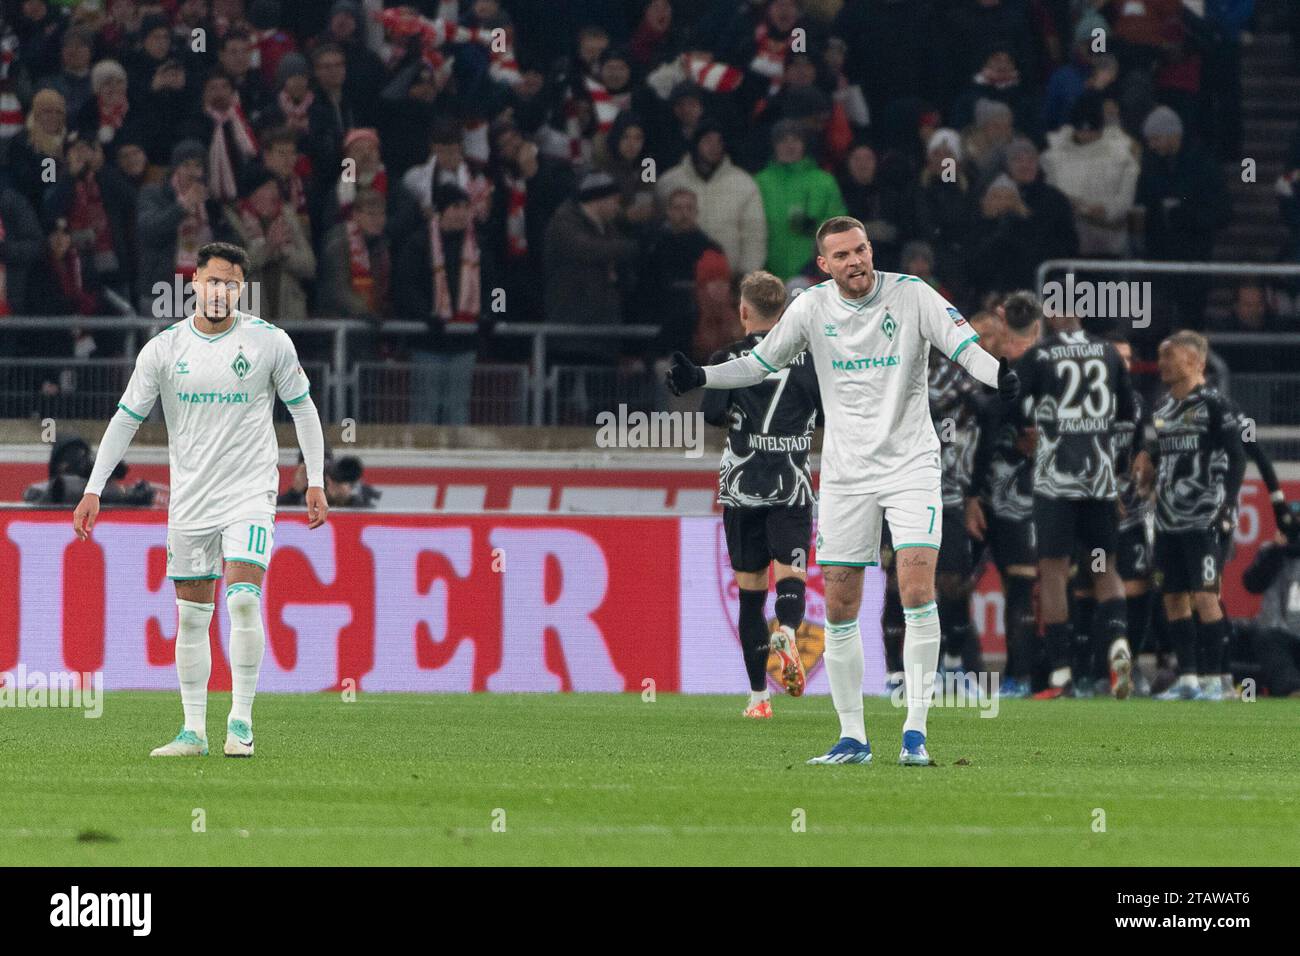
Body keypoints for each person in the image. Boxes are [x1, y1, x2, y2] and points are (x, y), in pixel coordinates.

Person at [666, 216, 1019, 766]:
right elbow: (760, 362)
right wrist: (703, 379)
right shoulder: (810, 309)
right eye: (842, 255)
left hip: (910, 464)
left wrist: (999, 375)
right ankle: (852, 737)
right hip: (847, 472)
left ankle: (916, 733)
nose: (855, 261)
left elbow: (962, 344)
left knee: (917, 587)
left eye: (861, 250)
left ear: (870, 250)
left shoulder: (911, 294)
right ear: (824, 265)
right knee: (839, 599)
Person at [71, 241, 328, 759]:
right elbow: (126, 418)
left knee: (242, 597)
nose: (221, 291)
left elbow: (304, 409)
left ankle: (241, 720)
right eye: (213, 281)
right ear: (194, 283)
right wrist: (94, 487)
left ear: (241, 288)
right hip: (190, 499)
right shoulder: (164, 349)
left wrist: (316, 478)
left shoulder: (269, 343)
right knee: (192, 616)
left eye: (231, 284)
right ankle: (193, 731)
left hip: (249, 491)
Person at [699, 271, 820, 719]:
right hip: (791, 484)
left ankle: (758, 699)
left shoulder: (727, 358)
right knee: (791, 574)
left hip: (742, 486)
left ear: (743, 311)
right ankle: (787, 628)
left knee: (751, 593)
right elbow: (828, 412)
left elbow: (712, 414)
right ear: (784, 312)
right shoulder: (809, 360)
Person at [1015, 307, 1137, 700]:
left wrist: (1022, 431)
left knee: (1053, 571)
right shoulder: (1108, 352)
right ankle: (1118, 643)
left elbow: (1011, 400)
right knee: (1103, 567)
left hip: (1055, 484)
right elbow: (1129, 413)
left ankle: (1061, 674)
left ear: (1053, 313)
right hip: (1100, 483)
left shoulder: (1042, 354)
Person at [1149, 330, 1246, 700]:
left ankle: (1215, 679)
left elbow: (1238, 456)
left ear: (1193, 361)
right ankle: (1188, 678)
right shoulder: (1161, 408)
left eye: (1168, 357)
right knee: (1173, 597)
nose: (1161, 364)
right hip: (1167, 519)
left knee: (1205, 596)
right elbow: (1162, 452)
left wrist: (1226, 506)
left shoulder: (1215, 405)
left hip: (1205, 517)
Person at [967, 290, 1042, 697]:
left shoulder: (1027, 376)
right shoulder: (964, 379)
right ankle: (963, 670)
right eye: (979, 336)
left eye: (994, 335)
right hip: (971, 497)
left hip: (1018, 499)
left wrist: (1035, 441)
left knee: (1020, 583)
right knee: (953, 584)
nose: (988, 343)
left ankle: (1020, 676)